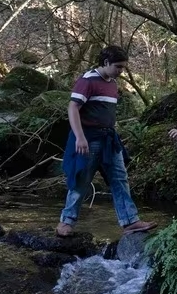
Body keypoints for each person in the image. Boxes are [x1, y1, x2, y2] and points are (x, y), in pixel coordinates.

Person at [56, 45, 157, 237]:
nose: (121, 71)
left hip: (109, 140)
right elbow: (73, 108)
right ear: (106, 63)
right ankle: (66, 222)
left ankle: (130, 221)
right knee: (82, 179)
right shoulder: (87, 81)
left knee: (120, 178)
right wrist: (80, 137)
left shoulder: (112, 84)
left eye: (123, 67)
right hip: (89, 138)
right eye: (118, 67)